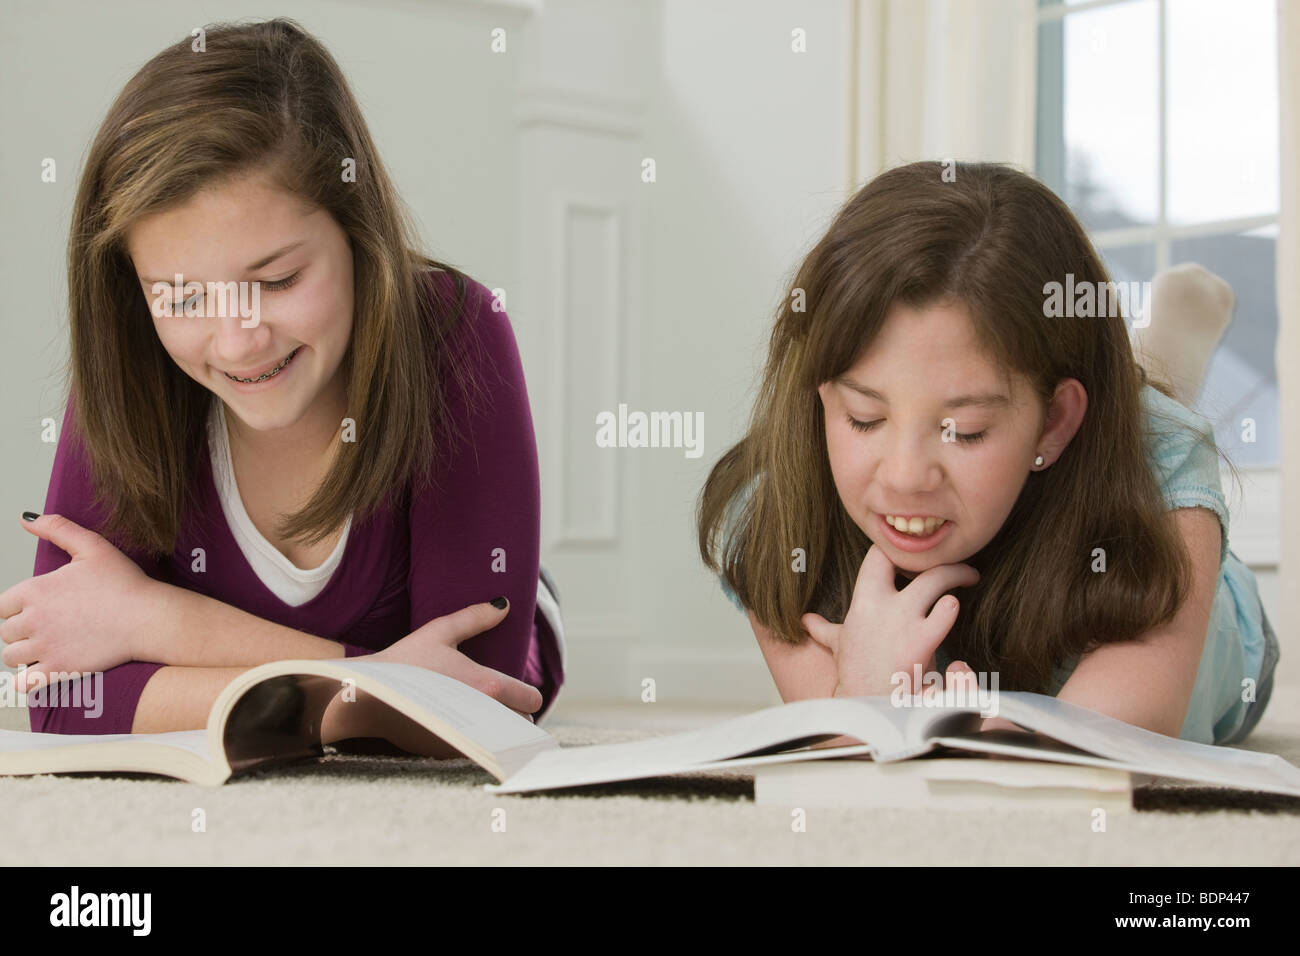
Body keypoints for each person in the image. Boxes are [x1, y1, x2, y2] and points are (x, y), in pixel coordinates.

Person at [1, 19, 564, 750]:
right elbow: (63, 701)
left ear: (360, 236)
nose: (238, 341)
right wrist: (361, 696)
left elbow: (472, 703)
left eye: (275, 280)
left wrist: (153, 620)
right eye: (183, 297)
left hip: (517, 626)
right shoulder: (130, 359)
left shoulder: (457, 332)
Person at [698, 160, 1277, 746]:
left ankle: (1160, 366)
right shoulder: (773, 514)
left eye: (965, 430)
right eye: (864, 418)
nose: (904, 477)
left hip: (1218, 629)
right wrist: (863, 689)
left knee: (1147, 432)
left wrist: (906, 716)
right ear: (821, 396)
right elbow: (837, 747)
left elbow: (1095, 745)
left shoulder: (1165, 470)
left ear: (1053, 423)